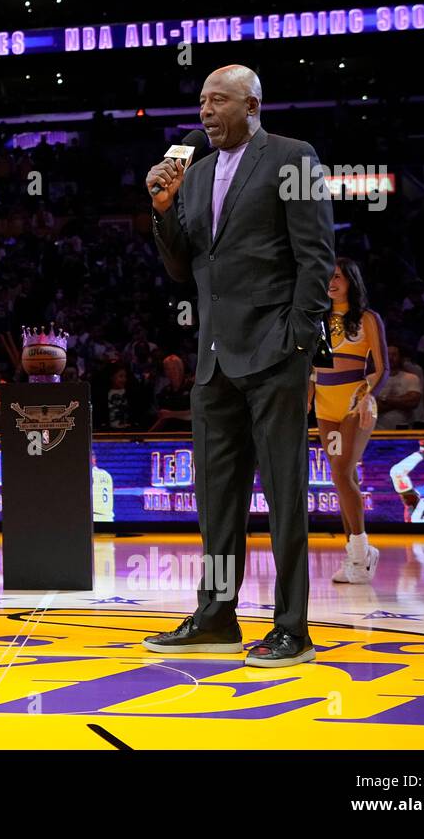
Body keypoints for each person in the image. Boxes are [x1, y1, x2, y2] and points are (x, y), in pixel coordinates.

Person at [144, 64, 334, 668]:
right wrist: (163, 208)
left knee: (285, 496)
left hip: (276, 352)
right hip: (214, 360)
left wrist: (300, 344)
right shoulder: (195, 175)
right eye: (201, 100)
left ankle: (291, 627)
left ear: (251, 104)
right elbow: (180, 267)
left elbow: (315, 256)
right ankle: (217, 615)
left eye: (218, 99)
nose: (205, 110)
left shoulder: (293, 157)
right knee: (217, 500)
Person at [309, 258, 387, 584]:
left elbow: (381, 369)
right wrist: (307, 400)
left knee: (341, 472)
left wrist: (368, 396)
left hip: (356, 403)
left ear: (351, 281)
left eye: (338, 277)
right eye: (328, 276)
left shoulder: (368, 318)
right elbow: (313, 370)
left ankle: (361, 552)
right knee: (341, 477)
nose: (332, 282)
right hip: (325, 406)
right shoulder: (319, 320)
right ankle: (356, 555)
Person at [375, 344, 424, 430]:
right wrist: (401, 402)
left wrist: (383, 399)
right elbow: (372, 407)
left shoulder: (412, 378)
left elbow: (413, 402)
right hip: (377, 430)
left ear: (400, 357)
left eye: (394, 354)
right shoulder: (371, 379)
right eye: (387, 354)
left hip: (404, 430)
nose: (390, 358)